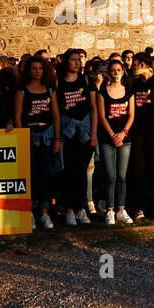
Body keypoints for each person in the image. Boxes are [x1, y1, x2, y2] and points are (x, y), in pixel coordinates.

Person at [15, 55, 61, 229]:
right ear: (28, 70)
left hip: (47, 137)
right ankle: (29, 213)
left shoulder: (50, 90)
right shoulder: (22, 91)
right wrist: (21, 139)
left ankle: (44, 212)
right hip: (29, 136)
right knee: (30, 176)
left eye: (40, 68)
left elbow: (56, 115)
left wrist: (57, 138)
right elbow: (18, 117)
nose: (37, 71)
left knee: (45, 175)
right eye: (34, 68)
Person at [56, 50, 97, 226]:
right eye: (73, 60)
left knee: (82, 172)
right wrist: (58, 136)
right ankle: (69, 209)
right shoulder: (58, 83)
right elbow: (56, 112)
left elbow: (94, 108)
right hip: (67, 132)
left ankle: (81, 208)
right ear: (66, 62)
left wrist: (94, 134)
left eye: (78, 60)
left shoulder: (87, 81)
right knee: (68, 171)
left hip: (85, 132)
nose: (76, 63)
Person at [96, 58, 134, 225]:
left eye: (119, 70)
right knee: (110, 175)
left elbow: (131, 115)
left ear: (123, 71)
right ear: (108, 73)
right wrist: (112, 135)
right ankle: (109, 210)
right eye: (113, 70)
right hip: (107, 139)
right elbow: (102, 116)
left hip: (125, 139)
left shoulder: (129, 91)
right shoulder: (102, 92)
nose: (116, 73)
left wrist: (123, 133)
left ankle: (121, 208)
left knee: (121, 176)